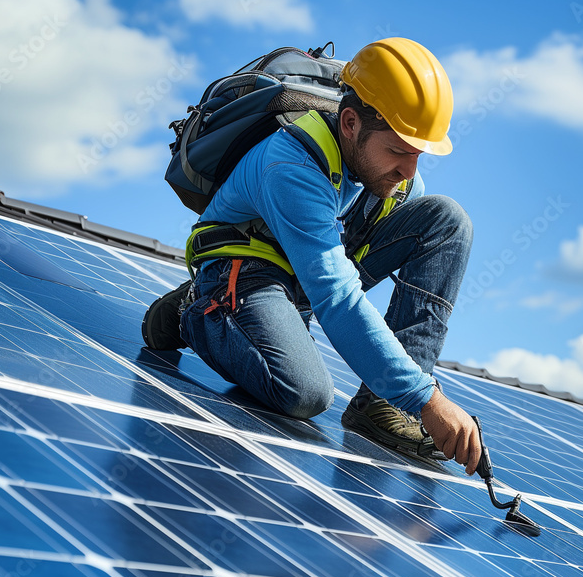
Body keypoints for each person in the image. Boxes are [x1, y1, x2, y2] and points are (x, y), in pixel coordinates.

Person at [154, 38, 482, 474]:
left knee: (447, 219)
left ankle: (382, 407)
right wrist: (427, 399)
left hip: (301, 277)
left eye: (419, 156)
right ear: (350, 123)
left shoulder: (394, 180)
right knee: (305, 393)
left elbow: (343, 274)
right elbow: (338, 298)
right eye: (399, 152)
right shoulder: (291, 166)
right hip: (247, 268)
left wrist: (405, 395)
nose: (409, 171)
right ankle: (198, 310)